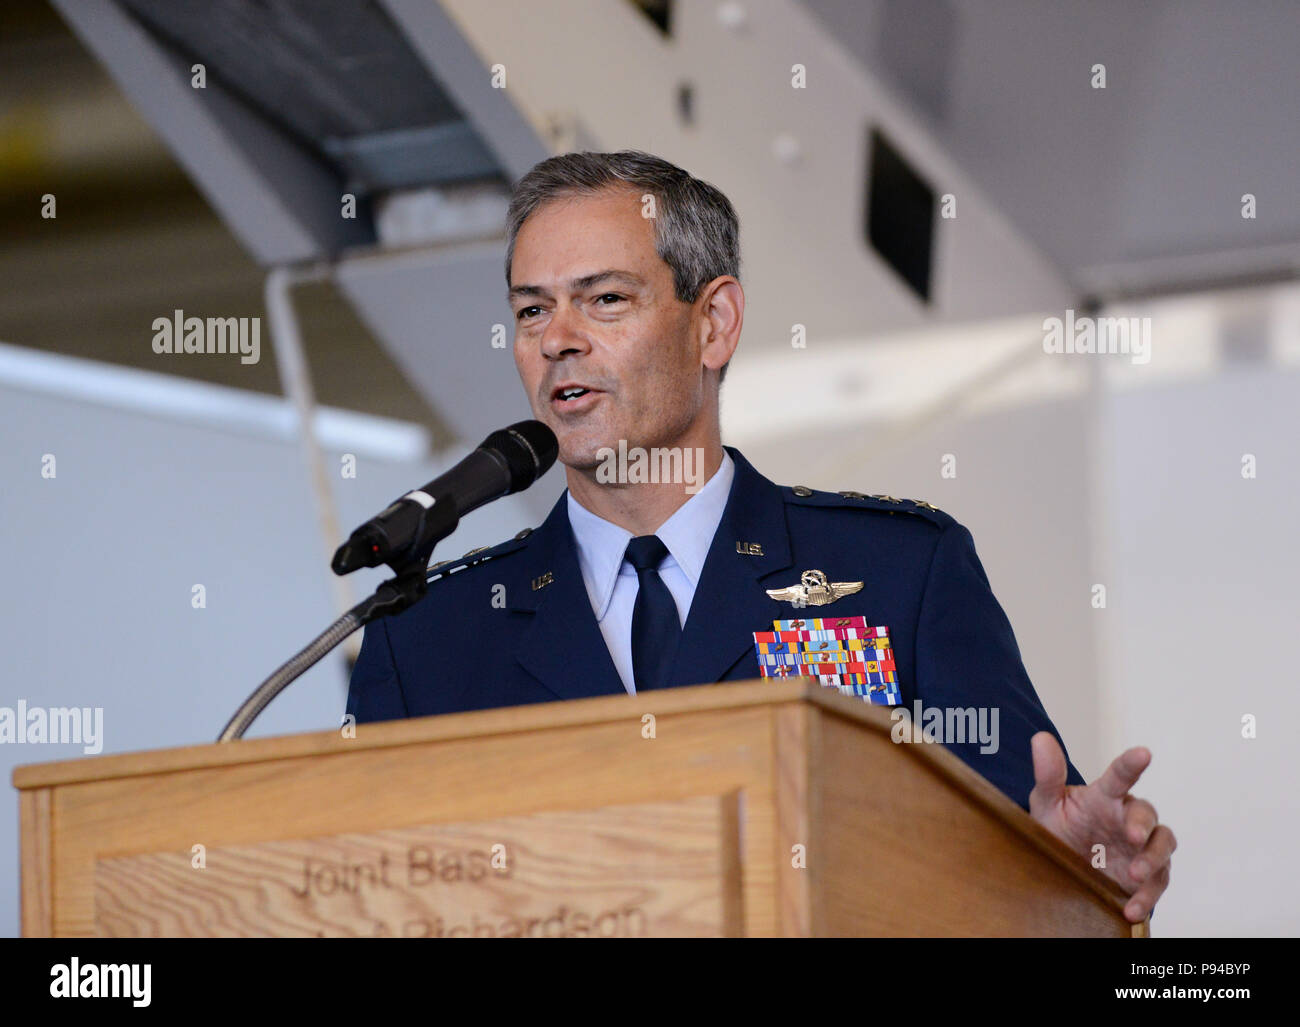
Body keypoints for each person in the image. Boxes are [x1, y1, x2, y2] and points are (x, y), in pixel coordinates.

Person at [347, 150, 1174, 923]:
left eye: (604, 299)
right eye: (533, 309)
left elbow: (1016, 856)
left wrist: (1064, 873)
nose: (558, 338)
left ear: (715, 324)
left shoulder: (901, 573)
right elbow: (363, 903)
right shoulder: (424, 641)